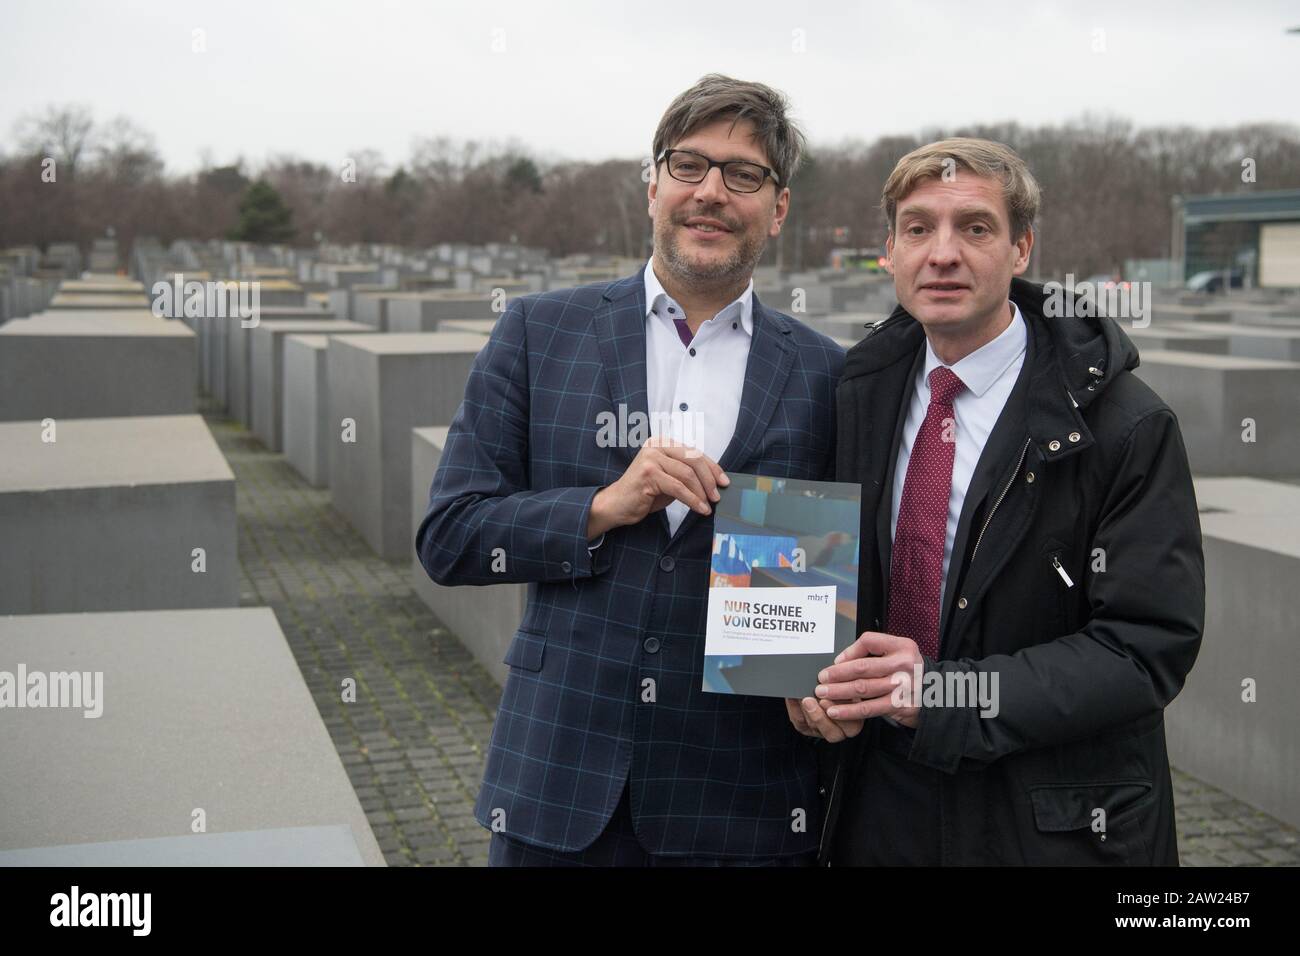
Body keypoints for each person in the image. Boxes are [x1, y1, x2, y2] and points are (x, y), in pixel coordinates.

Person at [416, 74, 845, 865]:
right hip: (562, 783)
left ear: (777, 208)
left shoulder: (826, 373)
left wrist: (814, 669)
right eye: (689, 165)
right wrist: (603, 506)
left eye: (743, 175)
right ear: (651, 185)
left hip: (744, 802)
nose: (711, 192)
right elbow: (450, 536)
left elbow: (824, 579)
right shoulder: (538, 333)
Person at [789, 137, 1204, 865]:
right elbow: (806, 557)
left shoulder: (1126, 425)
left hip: (1044, 816)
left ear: (1022, 249)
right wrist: (798, 681)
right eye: (918, 228)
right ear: (889, 250)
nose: (942, 253)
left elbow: (1144, 650)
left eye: (974, 228)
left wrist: (945, 694)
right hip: (878, 798)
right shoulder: (853, 393)